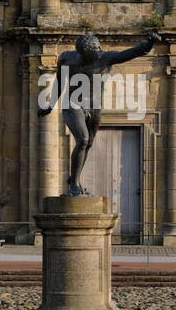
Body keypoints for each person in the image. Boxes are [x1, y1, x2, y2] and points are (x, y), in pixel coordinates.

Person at [40, 32, 161, 195]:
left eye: (99, 49)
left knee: (88, 143)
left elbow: (130, 53)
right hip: (73, 103)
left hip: (94, 106)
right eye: (95, 51)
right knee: (82, 139)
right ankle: (74, 184)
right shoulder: (66, 59)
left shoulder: (105, 57)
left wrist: (148, 44)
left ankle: (75, 178)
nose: (99, 52)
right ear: (84, 54)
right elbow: (60, 82)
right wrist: (50, 105)